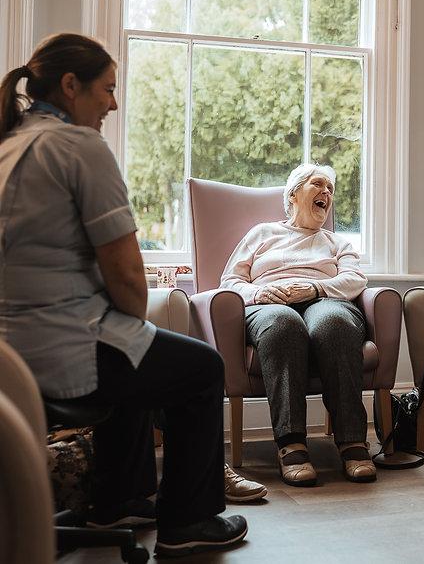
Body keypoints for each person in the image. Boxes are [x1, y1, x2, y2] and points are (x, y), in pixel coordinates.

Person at [0, 33, 247, 558]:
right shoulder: (78, 146)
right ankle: (191, 520)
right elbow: (130, 281)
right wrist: (132, 314)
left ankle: (122, 499)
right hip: (59, 351)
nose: (113, 103)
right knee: (199, 368)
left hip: (10, 355)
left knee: (138, 344)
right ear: (71, 86)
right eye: (106, 89)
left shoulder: (9, 142)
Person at [220, 163, 373, 486]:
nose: (327, 193)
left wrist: (316, 288)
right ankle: (291, 444)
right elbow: (230, 281)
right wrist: (260, 291)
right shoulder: (262, 234)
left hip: (324, 300)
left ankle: (352, 441)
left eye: (330, 189)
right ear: (292, 195)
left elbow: (355, 279)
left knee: (333, 323)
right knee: (284, 324)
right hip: (269, 305)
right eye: (318, 185)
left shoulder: (335, 242)